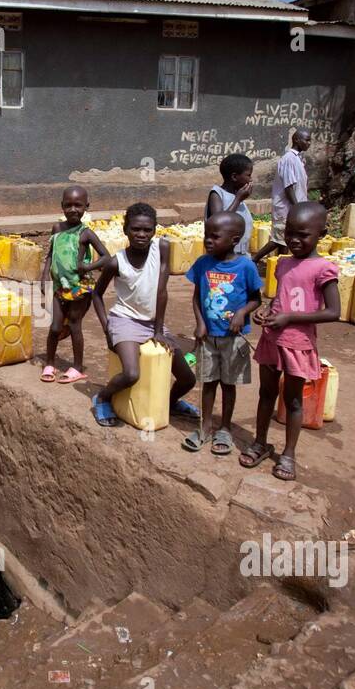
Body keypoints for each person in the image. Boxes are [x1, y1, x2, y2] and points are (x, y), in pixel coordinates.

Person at [243, 202, 340, 482]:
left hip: (297, 343)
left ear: (321, 234)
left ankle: (288, 453)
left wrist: (289, 318)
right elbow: (282, 297)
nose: (294, 240)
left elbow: (333, 312)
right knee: (265, 394)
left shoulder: (323, 268)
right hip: (272, 339)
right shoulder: (283, 263)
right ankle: (260, 442)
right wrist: (269, 310)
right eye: (289, 233)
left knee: (293, 400)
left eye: (302, 235)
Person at [89, 202, 198, 426]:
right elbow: (97, 295)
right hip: (125, 320)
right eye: (135, 229)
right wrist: (107, 328)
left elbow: (161, 291)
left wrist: (159, 330)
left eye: (147, 230)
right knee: (131, 374)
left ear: (155, 230)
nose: (141, 234)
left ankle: (168, 403)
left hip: (152, 322)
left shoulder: (163, 248)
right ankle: (102, 397)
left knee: (188, 379)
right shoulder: (115, 261)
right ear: (125, 230)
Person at [182, 211, 262, 455]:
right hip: (208, 337)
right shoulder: (203, 263)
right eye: (207, 235)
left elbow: (256, 299)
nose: (208, 241)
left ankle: (224, 428)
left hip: (234, 339)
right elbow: (197, 296)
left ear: (234, 239)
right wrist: (200, 322)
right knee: (208, 382)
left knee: (229, 384)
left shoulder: (246, 266)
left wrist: (241, 313)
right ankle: (205, 426)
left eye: (215, 237)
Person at [41, 185, 108, 384]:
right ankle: (50, 362)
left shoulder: (86, 233)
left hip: (79, 287)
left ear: (86, 207)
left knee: (75, 324)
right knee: (54, 327)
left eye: (78, 205)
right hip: (59, 286)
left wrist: (87, 267)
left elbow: (106, 257)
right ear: (61, 206)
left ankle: (78, 367)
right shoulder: (57, 229)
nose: (73, 209)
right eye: (68, 205)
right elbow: (51, 255)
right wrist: (44, 276)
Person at [253, 129, 310, 263]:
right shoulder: (289, 159)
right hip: (286, 207)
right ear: (296, 140)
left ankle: (280, 263)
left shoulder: (298, 159)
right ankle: (254, 258)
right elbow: (289, 186)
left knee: (285, 239)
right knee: (279, 239)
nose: (309, 143)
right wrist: (297, 207)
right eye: (306, 140)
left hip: (293, 206)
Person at [205, 153, 255, 258]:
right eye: (248, 175)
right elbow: (219, 224)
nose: (250, 180)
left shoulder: (237, 195)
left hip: (241, 255)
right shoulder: (217, 194)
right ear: (234, 177)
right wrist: (238, 199)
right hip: (223, 257)